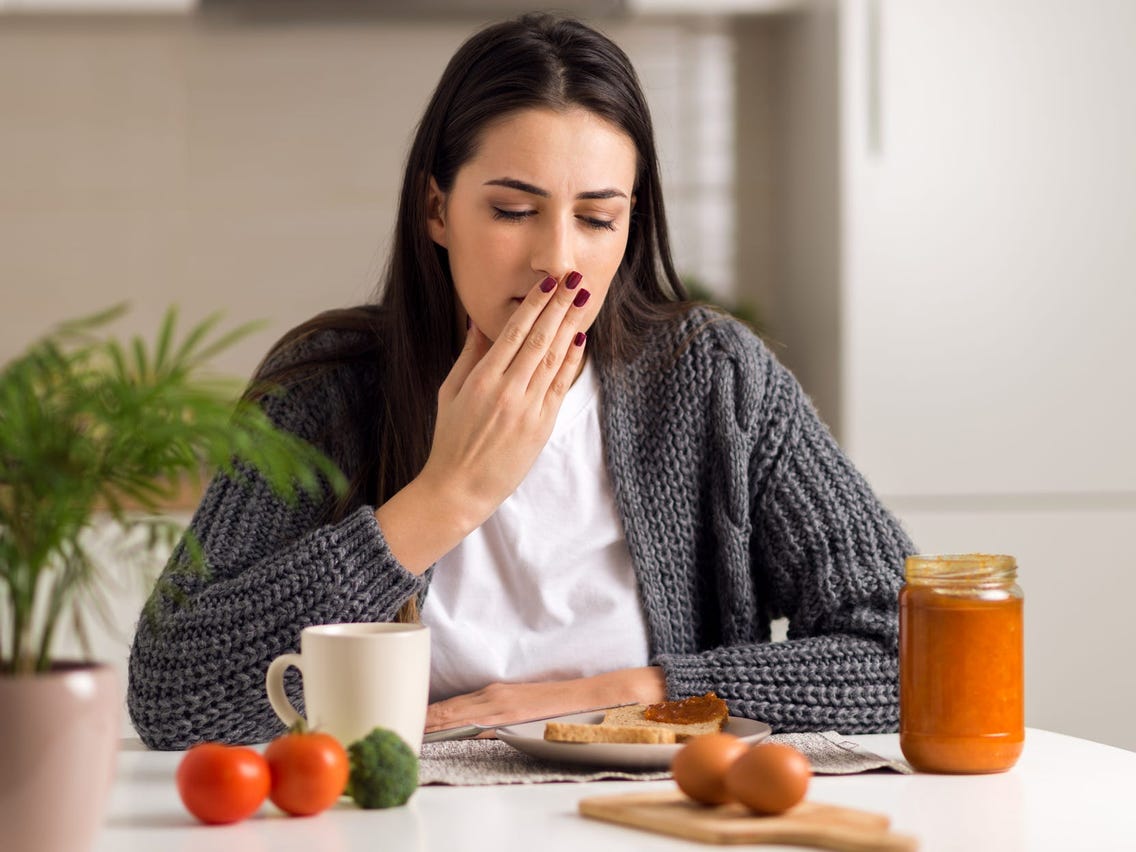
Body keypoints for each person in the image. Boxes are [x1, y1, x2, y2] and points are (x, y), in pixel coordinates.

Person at [127, 13, 914, 750]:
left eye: (597, 219)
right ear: (437, 209)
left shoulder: (716, 382)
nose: (558, 260)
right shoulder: (325, 389)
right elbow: (173, 696)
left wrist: (633, 694)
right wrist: (447, 497)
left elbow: (910, 654)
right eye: (512, 210)